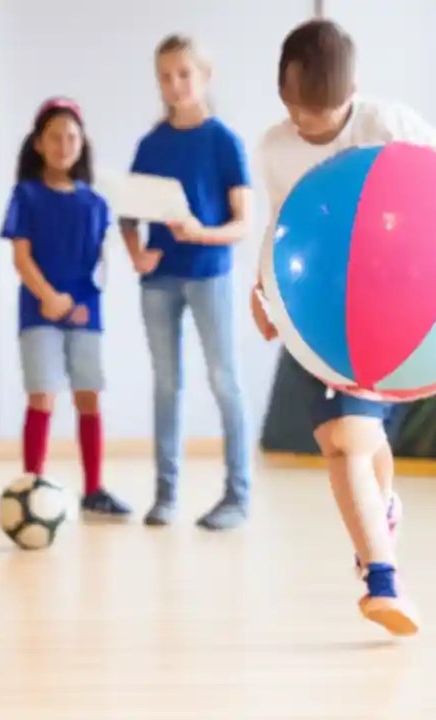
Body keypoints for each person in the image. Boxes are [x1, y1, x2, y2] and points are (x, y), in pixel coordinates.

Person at [253, 19, 436, 635]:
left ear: (354, 92)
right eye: (299, 112)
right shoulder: (275, 147)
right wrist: (261, 290)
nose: (312, 126)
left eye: (326, 112)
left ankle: (382, 548)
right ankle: (380, 553)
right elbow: (281, 223)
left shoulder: (388, 125)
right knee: (343, 442)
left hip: (392, 311)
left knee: (356, 441)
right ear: (281, 96)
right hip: (318, 313)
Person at [122, 34, 254, 530]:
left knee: (225, 382)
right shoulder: (151, 144)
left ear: (204, 77)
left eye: (183, 74)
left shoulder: (224, 142)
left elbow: (243, 223)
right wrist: (135, 252)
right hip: (158, 281)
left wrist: (203, 234)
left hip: (208, 277)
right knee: (166, 385)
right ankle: (166, 496)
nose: (174, 85)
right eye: (165, 76)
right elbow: (129, 213)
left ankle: (238, 497)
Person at [1, 97, 132, 522]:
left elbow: (101, 264)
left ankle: (94, 489)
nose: (63, 145)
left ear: (82, 143)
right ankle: (30, 482)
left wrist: (80, 304)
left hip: (84, 312)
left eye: (71, 137)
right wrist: (49, 297)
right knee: (42, 395)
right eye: (54, 137)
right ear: (38, 143)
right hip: (40, 309)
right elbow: (21, 257)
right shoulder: (26, 195)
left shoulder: (95, 203)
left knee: (88, 395)